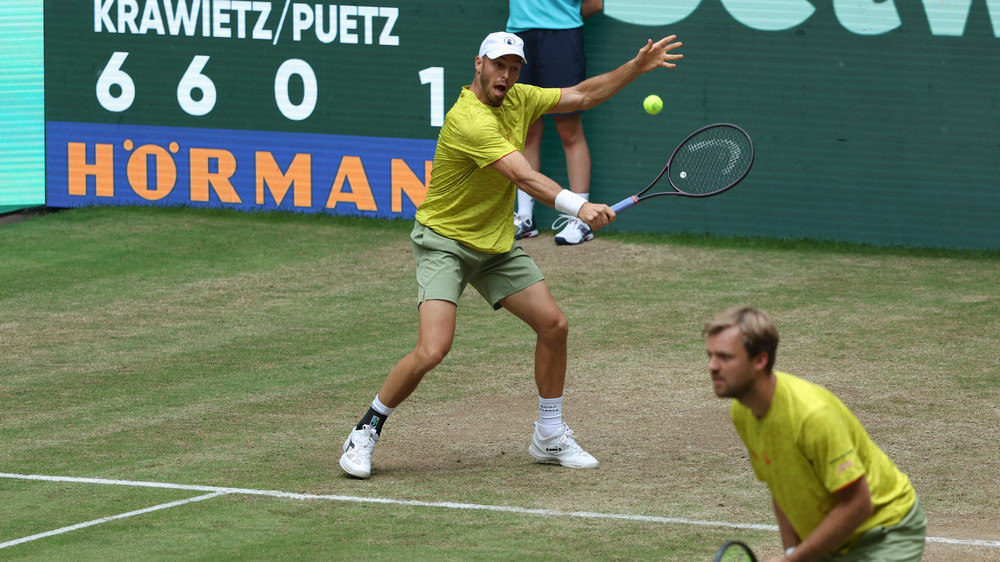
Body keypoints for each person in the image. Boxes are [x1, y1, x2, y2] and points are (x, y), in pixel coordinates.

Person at [339, 31, 684, 479]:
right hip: (444, 241)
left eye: (514, 67)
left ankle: (549, 434)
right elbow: (523, 177)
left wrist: (635, 67)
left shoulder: (521, 98)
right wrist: (579, 205)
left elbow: (581, 94)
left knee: (554, 325)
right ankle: (365, 430)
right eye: (499, 65)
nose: (507, 75)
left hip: (495, 244)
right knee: (432, 349)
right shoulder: (469, 120)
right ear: (478, 63)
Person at [702, 307, 927, 561]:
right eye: (710, 355)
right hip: (832, 535)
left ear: (760, 360)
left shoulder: (813, 416)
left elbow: (858, 505)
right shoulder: (742, 411)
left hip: (885, 531)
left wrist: (794, 559)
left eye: (724, 357)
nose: (711, 366)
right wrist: (791, 552)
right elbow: (781, 486)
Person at [507, 0, 603, 245]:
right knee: (526, 129)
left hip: (562, 38)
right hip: (519, 37)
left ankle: (582, 219)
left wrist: (562, 16)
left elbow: (594, 4)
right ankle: (525, 218)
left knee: (569, 131)